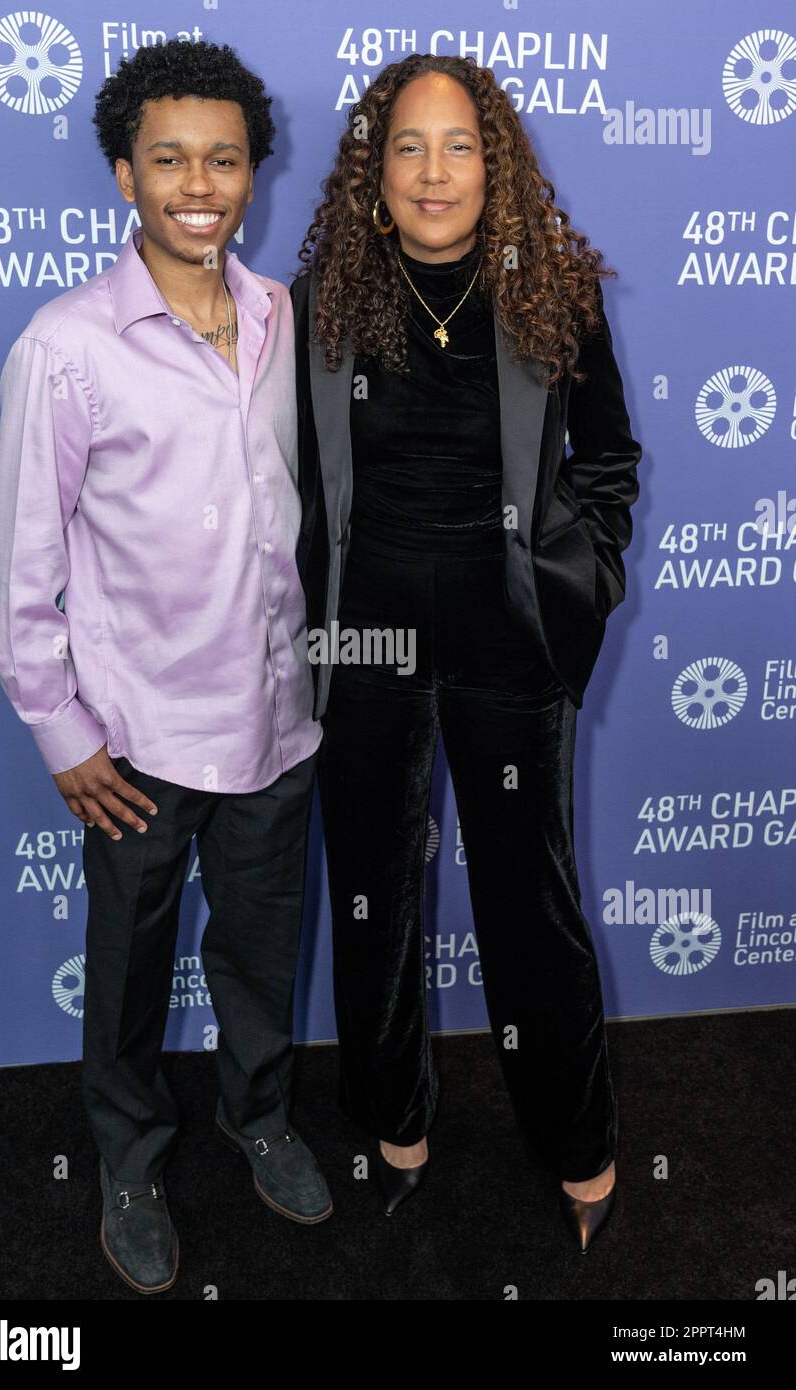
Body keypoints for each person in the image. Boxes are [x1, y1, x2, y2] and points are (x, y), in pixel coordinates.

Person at [0, 39, 331, 1297]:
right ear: (125, 174)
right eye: (171, 158)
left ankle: (260, 1115)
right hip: (130, 738)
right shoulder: (67, 346)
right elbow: (23, 563)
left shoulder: (288, 317)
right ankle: (129, 1159)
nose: (201, 183)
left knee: (257, 950)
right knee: (129, 971)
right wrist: (61, 729)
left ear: (252, 173)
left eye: (225, 159)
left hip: (278, 721)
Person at [290, 53, 642, 1253]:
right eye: (408, 145)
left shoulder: (553, 291)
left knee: (529, 901)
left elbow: (608, 461)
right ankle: (394, 1124)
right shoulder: (327, 292)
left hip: (508, 636)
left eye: (460, 146)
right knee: (374, 892)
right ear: (372, 167)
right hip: (367, 639)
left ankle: (578, 1140)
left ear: (495, 163)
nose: (434, 173)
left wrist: (581, 579)